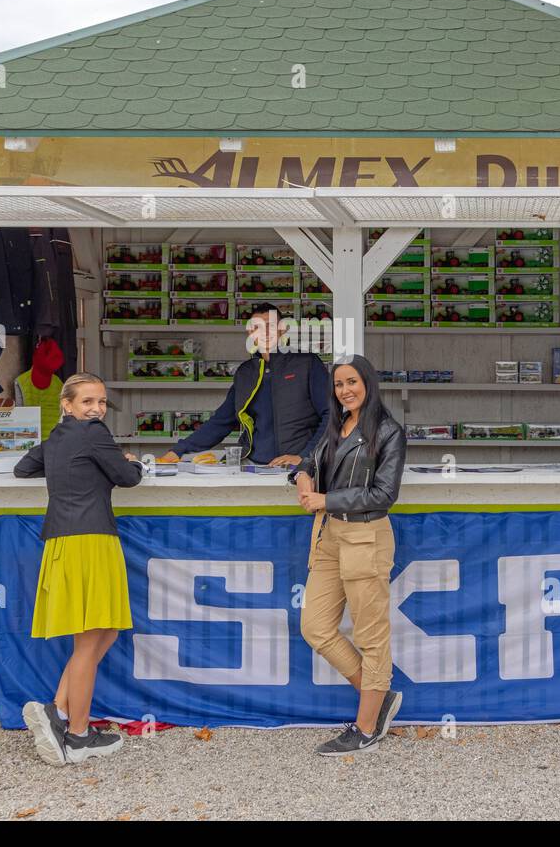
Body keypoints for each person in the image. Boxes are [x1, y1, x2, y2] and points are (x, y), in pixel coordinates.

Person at [13, 372, 144, 766]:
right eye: (87, 402)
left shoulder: (59, 437)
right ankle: (79, 735)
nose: (97, 409)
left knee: (105, 631)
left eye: (101, 402)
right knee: (89, 643)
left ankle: (57, 710)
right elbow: (128, 479)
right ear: (67, 405)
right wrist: (129, 462)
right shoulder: (94, 434)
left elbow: (23, 468)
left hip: (63, 542)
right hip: (91, 541)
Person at [289, 353, 408, 755]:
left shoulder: (389, 432)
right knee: (315, 627)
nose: (346, 390)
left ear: (368, 384)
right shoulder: (337, 425)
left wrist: (325, 497)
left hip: (364, 536)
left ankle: (366, 727)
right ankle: (379, 698)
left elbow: (383, 494)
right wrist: (303, 477)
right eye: (339, 384)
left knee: (371, 635)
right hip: (327, 535)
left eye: (352, 382)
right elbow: (308, 459)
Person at [157, 303, 329, 467]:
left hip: (298, 467)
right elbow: (221, 421)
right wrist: (178, 451)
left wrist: (304, 456)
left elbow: (331, 414)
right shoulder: (246, 373)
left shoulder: (307, 363)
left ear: (282, 329)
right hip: (253, 465)